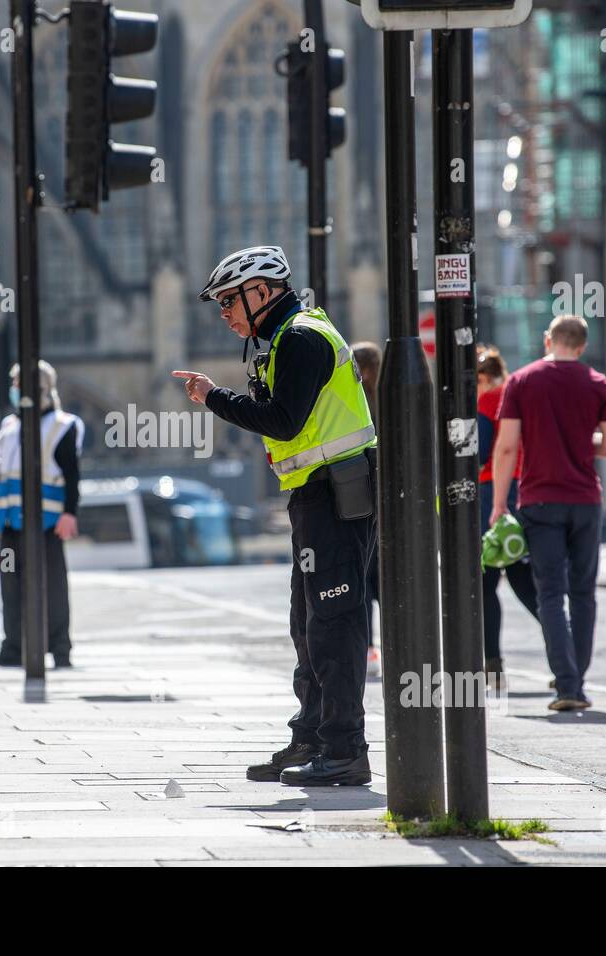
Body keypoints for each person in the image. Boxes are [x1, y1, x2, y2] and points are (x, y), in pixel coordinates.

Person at [174, 245, 376, 786]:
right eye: (220, 305)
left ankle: (344, 750)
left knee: (334, 624)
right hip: (315, 497)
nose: (225, 313)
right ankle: (310, 737)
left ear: (263, 291)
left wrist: (215, 398)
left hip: (335, 495)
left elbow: (285, 421)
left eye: (229, 301)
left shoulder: (303, 338)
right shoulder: (287, 337)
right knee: (307, 624)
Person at [489, 315, 606, 711]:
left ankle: (566, 686)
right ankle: (577, 681)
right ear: (581, 346)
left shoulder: (522, 381)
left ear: (549, 340)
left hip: (539, 501)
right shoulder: (599, 384)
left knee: (550, 593)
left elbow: (507, 447)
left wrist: (498, 503)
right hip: (585, 501)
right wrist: (581, 442)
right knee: (584, 593)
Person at [0, 360, 84, 669]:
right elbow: (2, 475)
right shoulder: (10, 428)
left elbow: (72, 474)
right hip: (10, 523)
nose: (13, 390)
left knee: (52, 587)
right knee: (10, 585)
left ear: (37, 389)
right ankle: (13, 647)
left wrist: (70, 513)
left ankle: (60, 648)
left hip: (47, 523)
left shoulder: (63, 425)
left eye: (17, 384)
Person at [476, 346, 540, 691]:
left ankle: (493, 665)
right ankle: (566, 658)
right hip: (525, 489)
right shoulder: (519, 394)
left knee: (486, 580)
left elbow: (482, 452)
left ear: (482, 379)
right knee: (524, 579)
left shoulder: (488, 401)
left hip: (491, 493)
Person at [351, 341, 382, 669]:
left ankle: (369, 648)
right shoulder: (387, 398)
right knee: (384, 583)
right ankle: (399, 641)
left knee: (362, 578)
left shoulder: (356, 401)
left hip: (360, 500)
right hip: (386, 504)